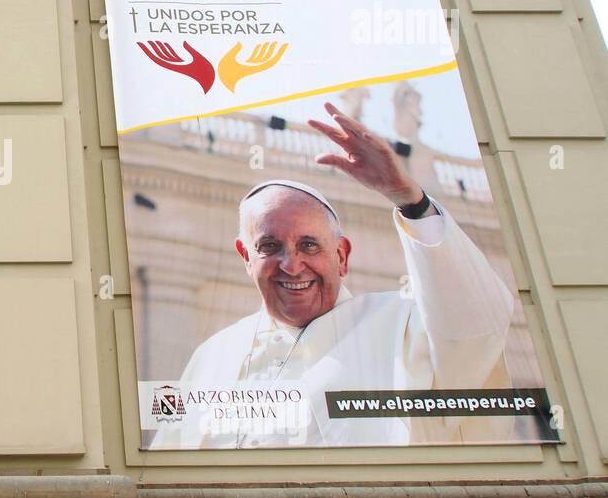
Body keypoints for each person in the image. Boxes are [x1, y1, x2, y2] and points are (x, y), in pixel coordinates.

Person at [174, 101, 521, 448]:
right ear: (246, 257)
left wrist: (409, 199)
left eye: (309, 245)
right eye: (269, 246)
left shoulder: (402, 327)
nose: (291, 265)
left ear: (341, 256)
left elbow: (478, 321)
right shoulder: (213, 355)